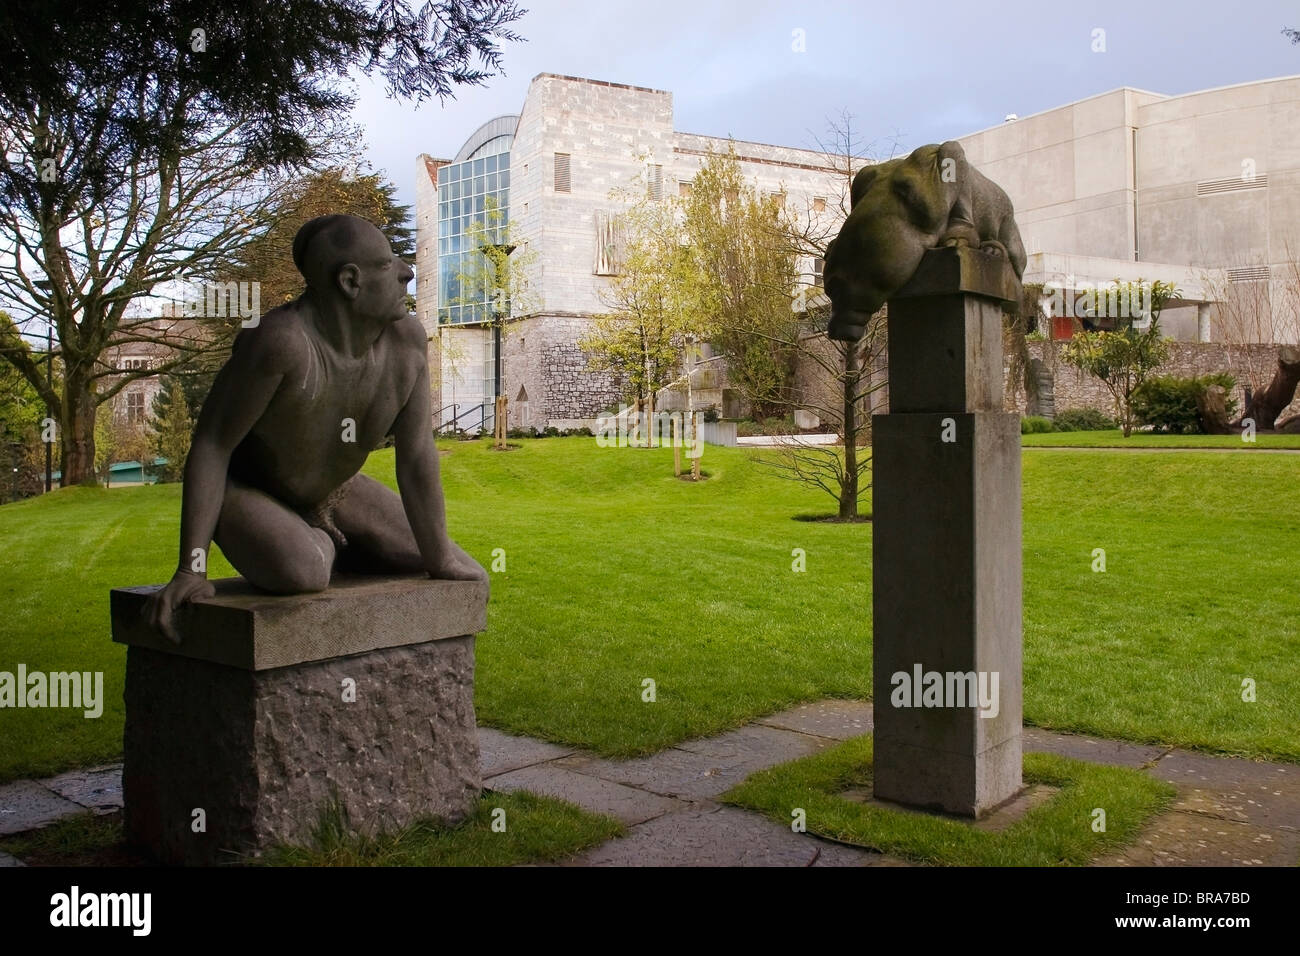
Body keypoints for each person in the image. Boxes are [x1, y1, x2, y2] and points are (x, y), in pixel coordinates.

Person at [146, 214, 486, 643]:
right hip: (250, 491)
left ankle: (332, 538)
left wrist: (440, 559)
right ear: (350, 281)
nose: (407, 272)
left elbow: (416, 452)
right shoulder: (280, 342)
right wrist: (190, 569)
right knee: (304, 570)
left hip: (335, 490)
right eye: (387, 264)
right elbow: (213, 444)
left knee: (443, 555)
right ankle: (324, 544)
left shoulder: (407, 342)